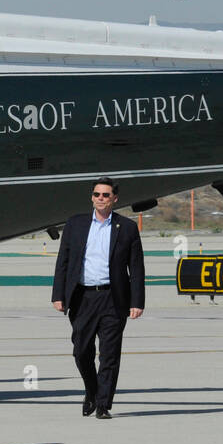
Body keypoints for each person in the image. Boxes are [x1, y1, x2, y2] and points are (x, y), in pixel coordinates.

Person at [51, 177, 145, 419]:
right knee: (81, 351)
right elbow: (63, 261)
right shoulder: (75, 224)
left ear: (115, 198)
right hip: (82, 297)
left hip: (113, 299)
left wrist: (137, 302)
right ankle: (92, 390)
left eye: (105, 195)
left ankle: (103, 404)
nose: (100, 199)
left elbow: (136, 268)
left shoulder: (127, 227)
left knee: (109, 355)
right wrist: (58, 294)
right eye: (96, 194)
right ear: (91, 197)